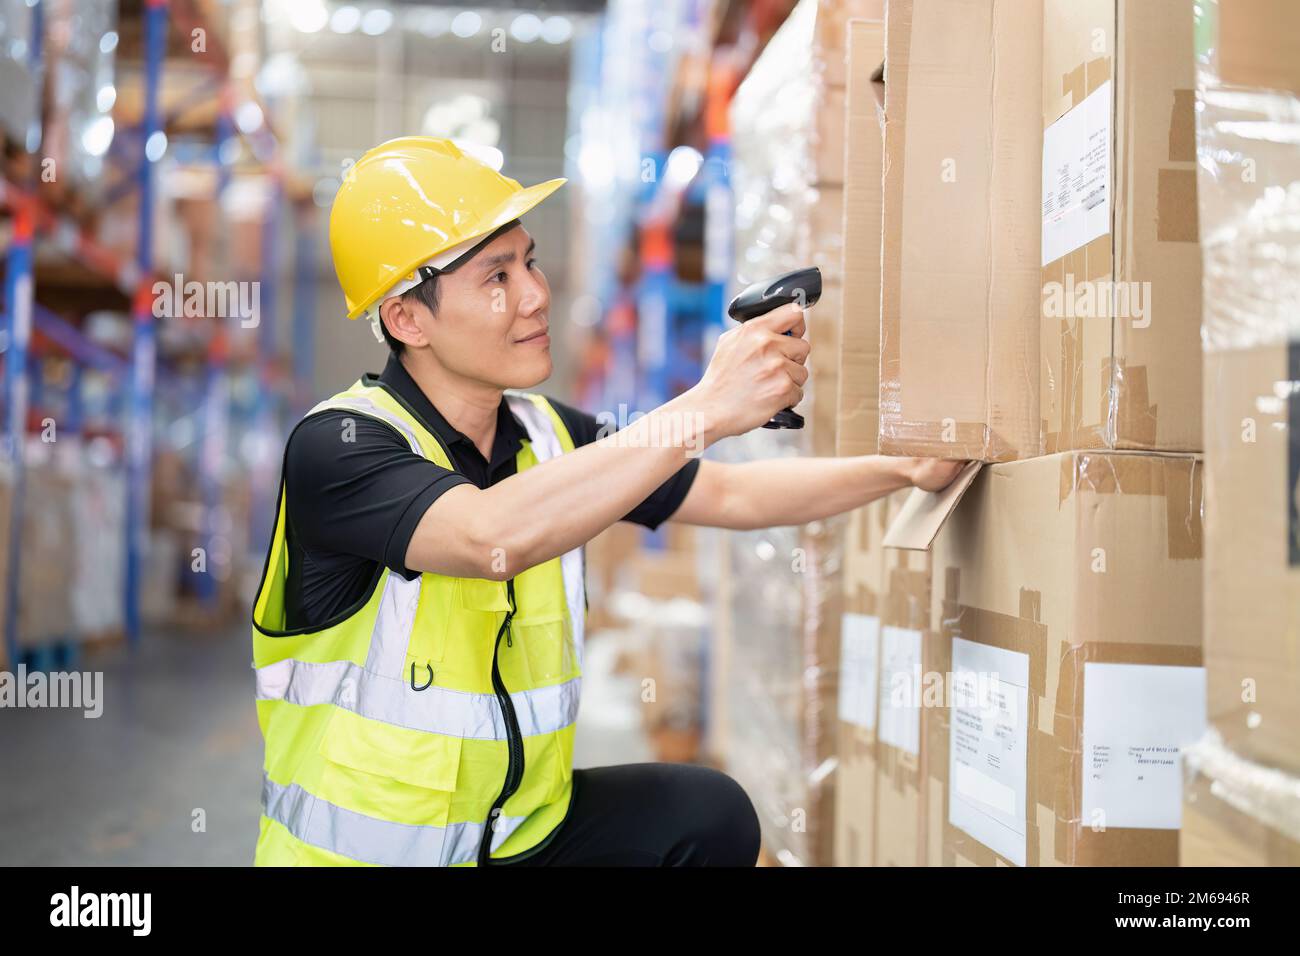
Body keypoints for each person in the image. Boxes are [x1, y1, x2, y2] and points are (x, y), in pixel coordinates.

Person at [250, 137, 964, 867]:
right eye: (497, 276)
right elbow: (488, 535)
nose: (535, 294)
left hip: (514, 838)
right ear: (408, 320)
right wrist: (707, 408)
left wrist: (901, 468)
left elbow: (733, 492)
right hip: (369, 859)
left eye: (528, 260)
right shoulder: (338, 448)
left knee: (704, 815)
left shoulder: (548, 431)